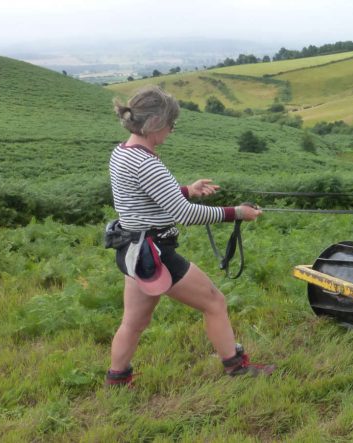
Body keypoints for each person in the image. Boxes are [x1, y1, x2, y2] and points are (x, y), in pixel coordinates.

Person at [105, 85, 274, 387]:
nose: (171, 131)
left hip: (132, 250)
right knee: (214, 301)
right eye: (171, 124)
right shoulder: (147, 163)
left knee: (134, 322)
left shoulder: (123, 153)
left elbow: (143, 198)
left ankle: (117, 380)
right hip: (156, 254)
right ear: (156, 123)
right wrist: (236, 212)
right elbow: (185, 214)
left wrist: (186, 190)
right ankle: (236, 368)